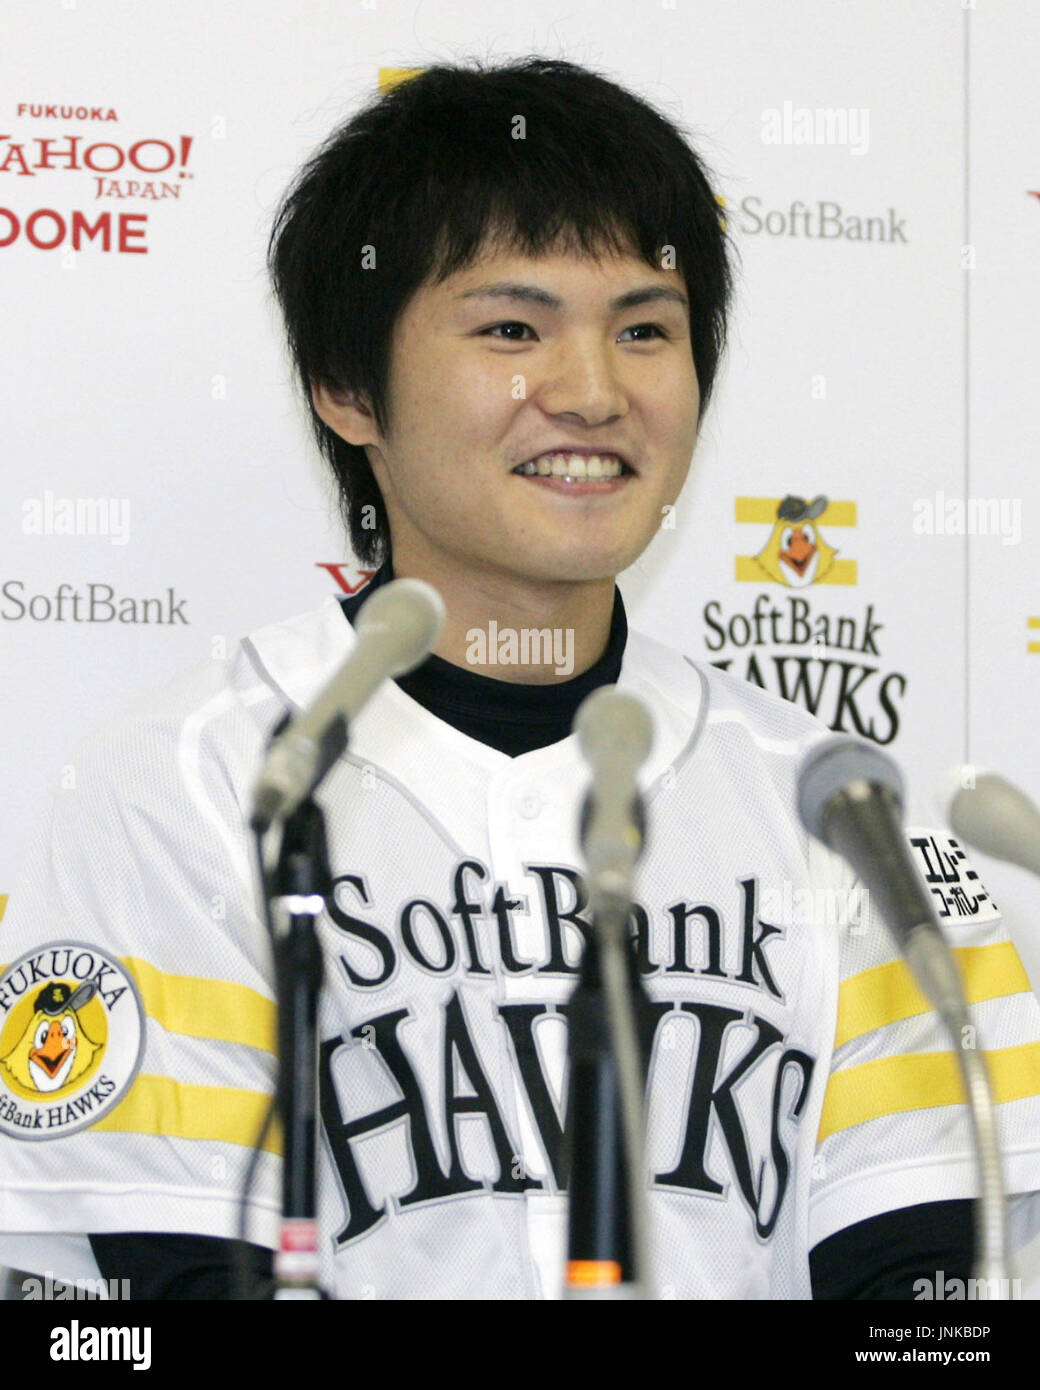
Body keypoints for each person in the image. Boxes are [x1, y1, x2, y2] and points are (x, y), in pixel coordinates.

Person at [2, 56, 1039, 1301]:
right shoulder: (190, 783)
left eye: (644, 329)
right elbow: (167, 1290)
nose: (593, 392)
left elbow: (921, 1289)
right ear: (346, 386)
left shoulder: (832, 811)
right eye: (511, 328)